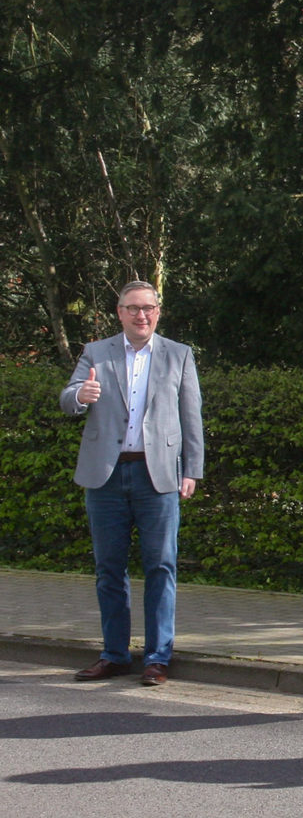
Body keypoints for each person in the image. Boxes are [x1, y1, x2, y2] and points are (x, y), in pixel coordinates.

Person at [61, 281, 204, 687]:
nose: (142, 315)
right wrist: (81, 395)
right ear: (119, 312)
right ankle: (115, 654)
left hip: (156, 476)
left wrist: (191, 470)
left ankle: (158, 658)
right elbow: (67, 397)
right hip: (104, 476)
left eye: (149, 308)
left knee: (161, 565)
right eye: (133, 308)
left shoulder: (179, 354)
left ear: (158, 312)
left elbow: (191, 417)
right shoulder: (96, 352)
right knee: (109, 569)